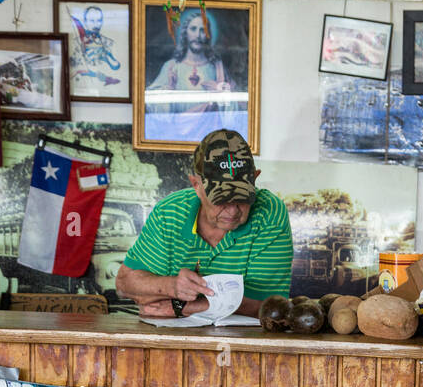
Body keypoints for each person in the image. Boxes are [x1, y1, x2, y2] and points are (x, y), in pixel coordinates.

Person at [115, 129, 293, 320]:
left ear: (255, 179)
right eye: (221, 200)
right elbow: (125, 284)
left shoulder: (269, 213)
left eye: (242, 199)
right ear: (196, 185)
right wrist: (171, 286)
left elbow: (271, 305)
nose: (232, 211)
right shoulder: (169, 213)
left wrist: (185, 307)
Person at [145, 7, 245, 143]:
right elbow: (152, 107)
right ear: (185, 33)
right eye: (193, 29)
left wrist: (221, 94)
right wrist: (169, 88)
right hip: (177, 140)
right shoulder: (171, 67)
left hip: (210, 141)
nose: (198, 35)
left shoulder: (217, 68)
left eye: (203, 30)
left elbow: (240, 106)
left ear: (208, 35)